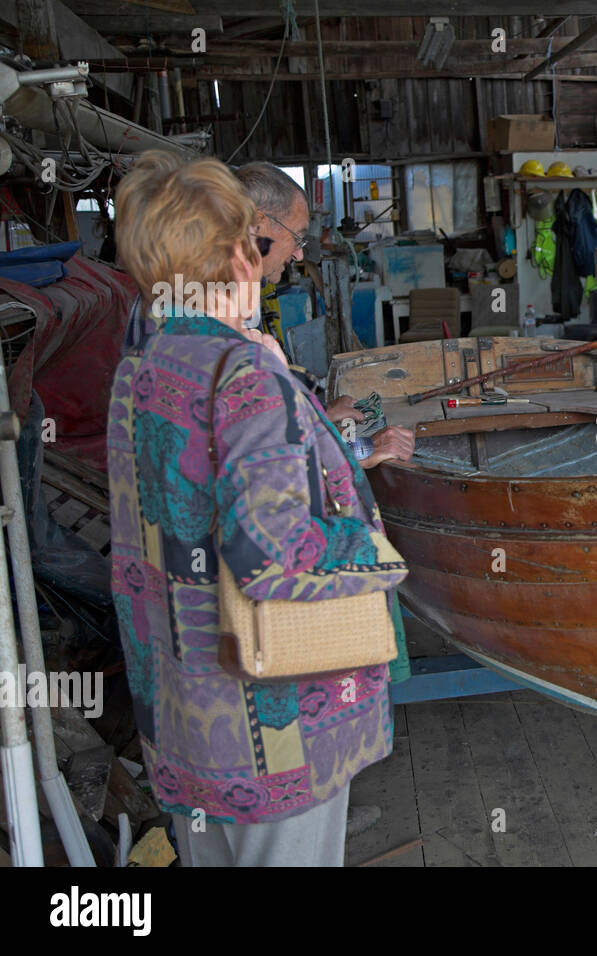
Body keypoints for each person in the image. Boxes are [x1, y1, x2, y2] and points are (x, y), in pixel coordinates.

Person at [108, 152, 409, 866]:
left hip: (184, 708)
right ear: (236, 255)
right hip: (270, 728)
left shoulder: (144, 360)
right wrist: (376, 553)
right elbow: (276, 554)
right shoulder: (241, 372)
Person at [234, 162, 414, 470]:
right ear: (259, 226)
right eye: (297, 237)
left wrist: (317, 409)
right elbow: (257, 447)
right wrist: (361, 450)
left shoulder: (215, 296)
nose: (300, 254)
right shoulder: (213, 314)